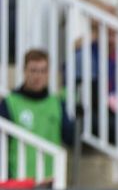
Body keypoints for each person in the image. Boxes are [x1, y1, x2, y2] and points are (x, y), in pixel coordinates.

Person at [0, 49, 74, 180]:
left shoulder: (57, 104)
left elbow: (70, 138)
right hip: (18, 183)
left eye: (43, 71)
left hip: (50, 181)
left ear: (48, 73)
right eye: (33, 70)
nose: (38, 76)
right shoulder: (10, 103)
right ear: (24, 71)